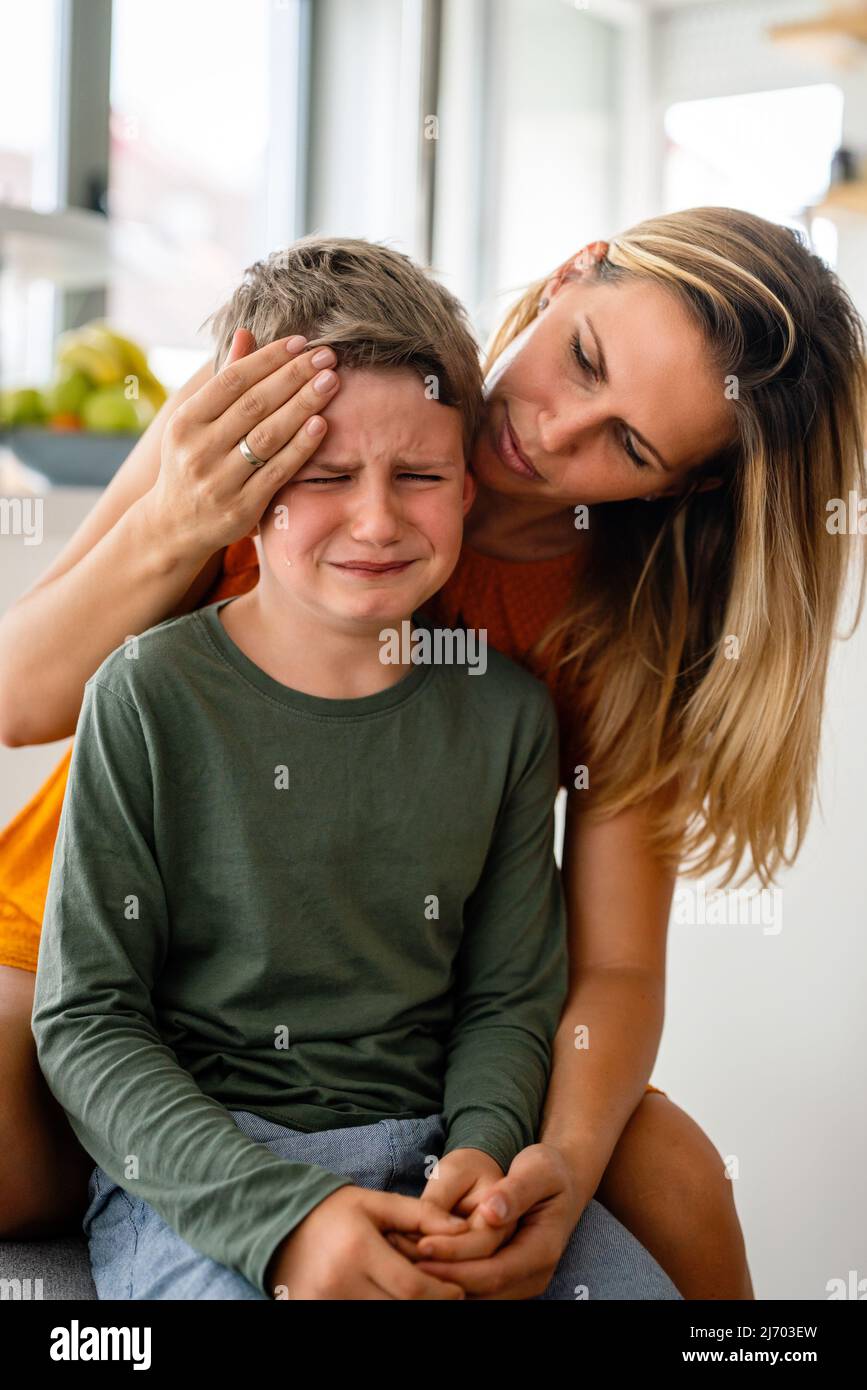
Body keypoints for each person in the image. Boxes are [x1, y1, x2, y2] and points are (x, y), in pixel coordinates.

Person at [1, 207, 864, 1298]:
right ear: (570, 274)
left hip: (386, 1009)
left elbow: (616, 966)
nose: (555, 432)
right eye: (584, 358)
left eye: (629, 444)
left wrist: (545, 1170)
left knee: (678, 1177)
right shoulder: (312, 393)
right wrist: (183, 514)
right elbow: (19, 695)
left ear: (678, 487)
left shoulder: (625, 627)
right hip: (76, 942)